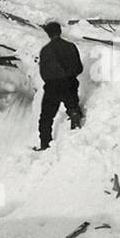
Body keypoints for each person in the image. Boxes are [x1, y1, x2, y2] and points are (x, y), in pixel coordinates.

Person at [35, 20, 84, 148]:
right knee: (73, 109)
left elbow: (43, 73)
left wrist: (53, 80)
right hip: (70, 83)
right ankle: (77, 137)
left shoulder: (45, 50)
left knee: (46, 118)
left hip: (52, 87)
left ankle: (45, 145)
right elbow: (79, 68)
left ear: (49, 34)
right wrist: (69, 76)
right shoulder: (71, 46)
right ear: (60, 31)